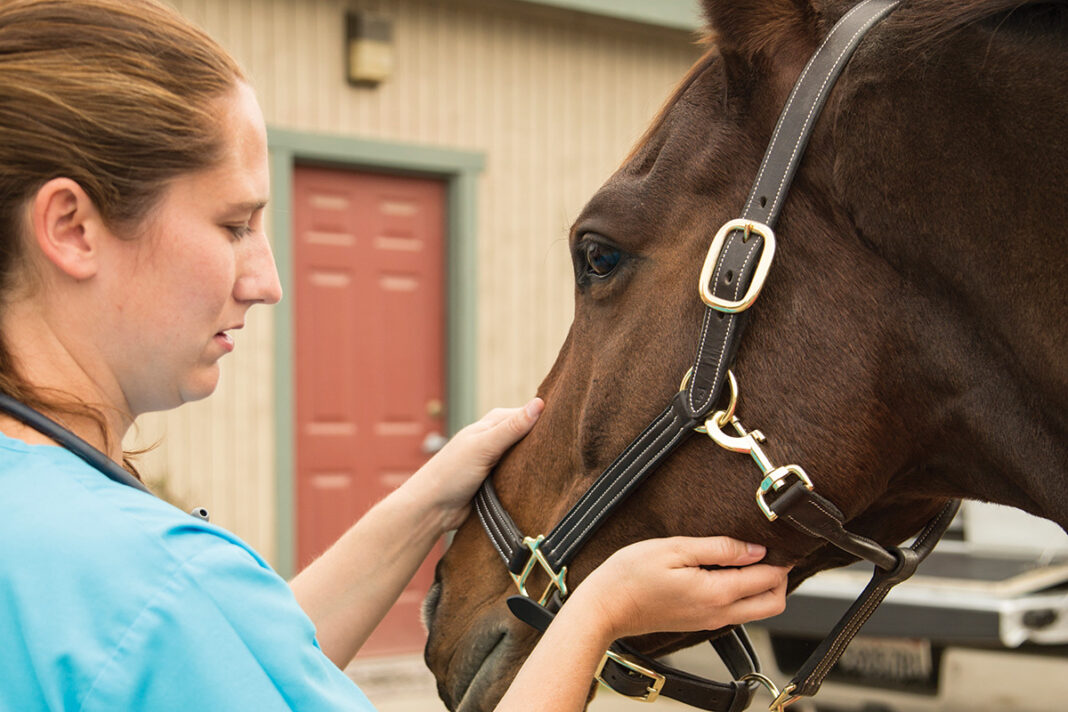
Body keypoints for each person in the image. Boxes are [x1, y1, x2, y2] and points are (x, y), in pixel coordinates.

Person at [0, 0, 789, 710]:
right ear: (71, 227)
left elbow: (235, 667)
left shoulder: (62, 548)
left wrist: (428, 503)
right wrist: (597, 612)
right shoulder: (150, 584)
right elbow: (176, 636)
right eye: (234, 225)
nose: (267, 281)